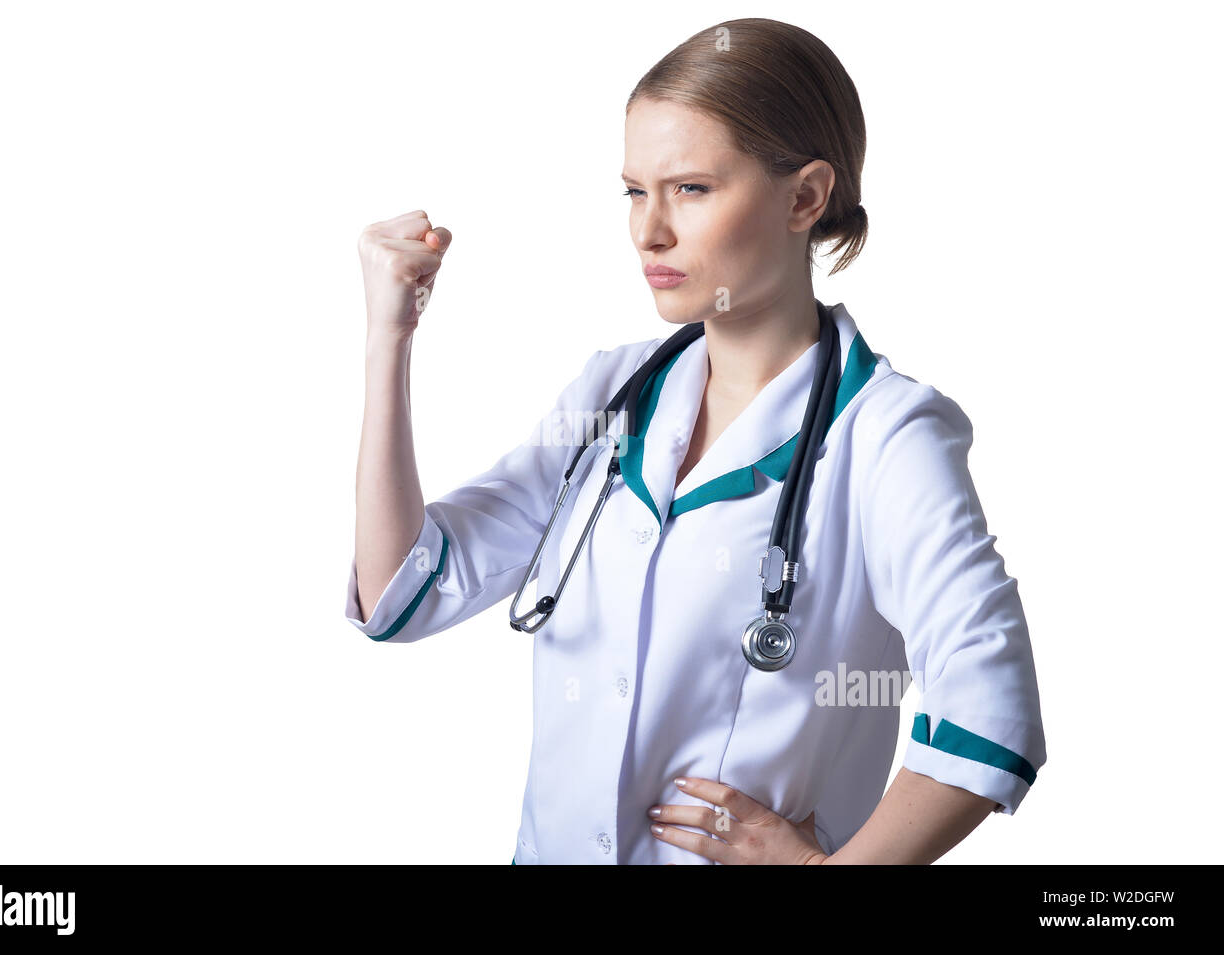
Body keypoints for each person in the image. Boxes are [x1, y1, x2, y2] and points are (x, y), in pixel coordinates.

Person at [346, 18, 1046, 865]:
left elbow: (990, 709)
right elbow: (403, 593)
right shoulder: (612, 395)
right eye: (635, 191)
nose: (649, 232)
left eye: (691, 189)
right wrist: (391, 338)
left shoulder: (886, 435)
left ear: (804, 197)